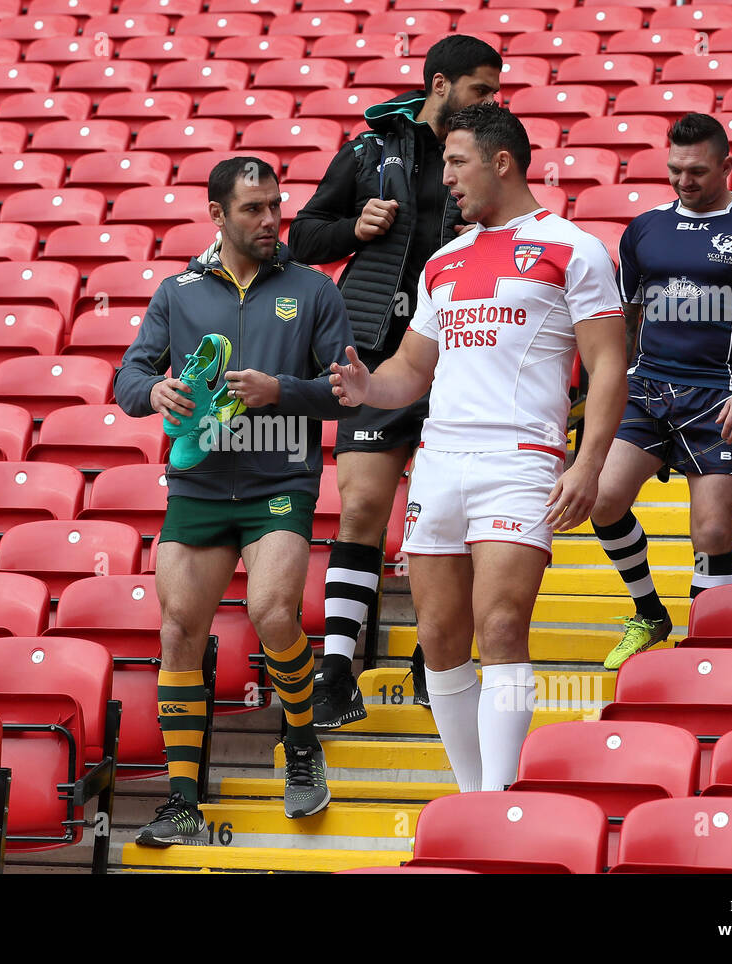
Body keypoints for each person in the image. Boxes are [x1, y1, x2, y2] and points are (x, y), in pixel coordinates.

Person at [329, 103, 628, 792]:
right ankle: (471, 795)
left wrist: (588, 463)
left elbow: (609, 365)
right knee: (437, 639)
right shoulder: (444, 261)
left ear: (502, 161)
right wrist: (365, 386)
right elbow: (412, 370)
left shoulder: (571, 248)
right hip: (439, 461)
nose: (448, 178)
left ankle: (498, 793)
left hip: (520, 461)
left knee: (500, 626)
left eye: (458, 161)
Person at [115, 157, 353, 845]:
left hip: (280, 481)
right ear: (217, 215)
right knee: (178, 630)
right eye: (253, 209)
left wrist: (283, 391)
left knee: (274, 611)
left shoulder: (313, 290)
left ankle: (302, 745)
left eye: (275, 205)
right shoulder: (179, 292)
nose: (271, 220)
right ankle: (183, 802)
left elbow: (343, 388)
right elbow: (131, 374)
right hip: (200, 484)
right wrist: (153, 392)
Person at [288, 34, 503, 727]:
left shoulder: (488, 156)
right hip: (379, 352)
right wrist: (356, 225)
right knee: (360, 509)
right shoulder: (370, 149)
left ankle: (431, 653)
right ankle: (337, 671)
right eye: (480, 90)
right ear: (440, 85)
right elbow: (304, 238)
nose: (490, 102)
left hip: (463, 356)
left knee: (454, 514)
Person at [592, 113, 732, 671]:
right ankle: (649, 612)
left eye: (698, 171)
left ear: (729, 166)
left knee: (710, 528)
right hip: (648, 389)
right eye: (675, 170)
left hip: (720, 396)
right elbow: (622, 318)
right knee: (604, 499)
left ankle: (708, 651)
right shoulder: (644, 229)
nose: (685, 181)